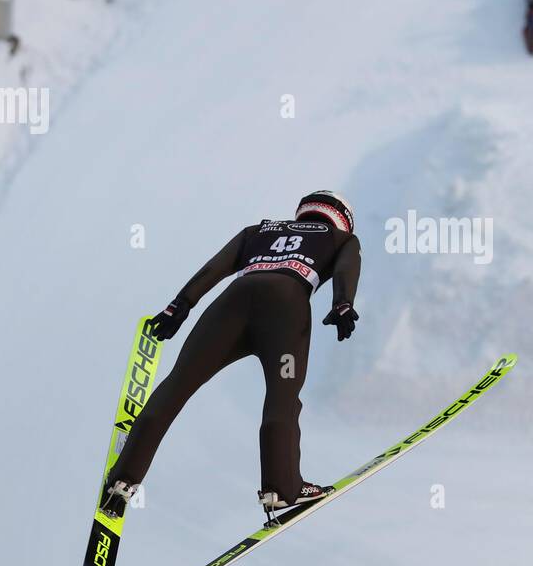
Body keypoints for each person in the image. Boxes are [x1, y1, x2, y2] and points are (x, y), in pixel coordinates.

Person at [101, 192, 363, 517]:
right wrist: (342, 303)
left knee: (177, 385)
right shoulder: (342, 238)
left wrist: (179, 306)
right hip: (285, 309)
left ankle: (123, 478)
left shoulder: (260, 230)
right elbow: (346, 269)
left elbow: (214, 268)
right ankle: (281, 487)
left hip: (231, 306)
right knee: (282, 398)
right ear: (343, 220)